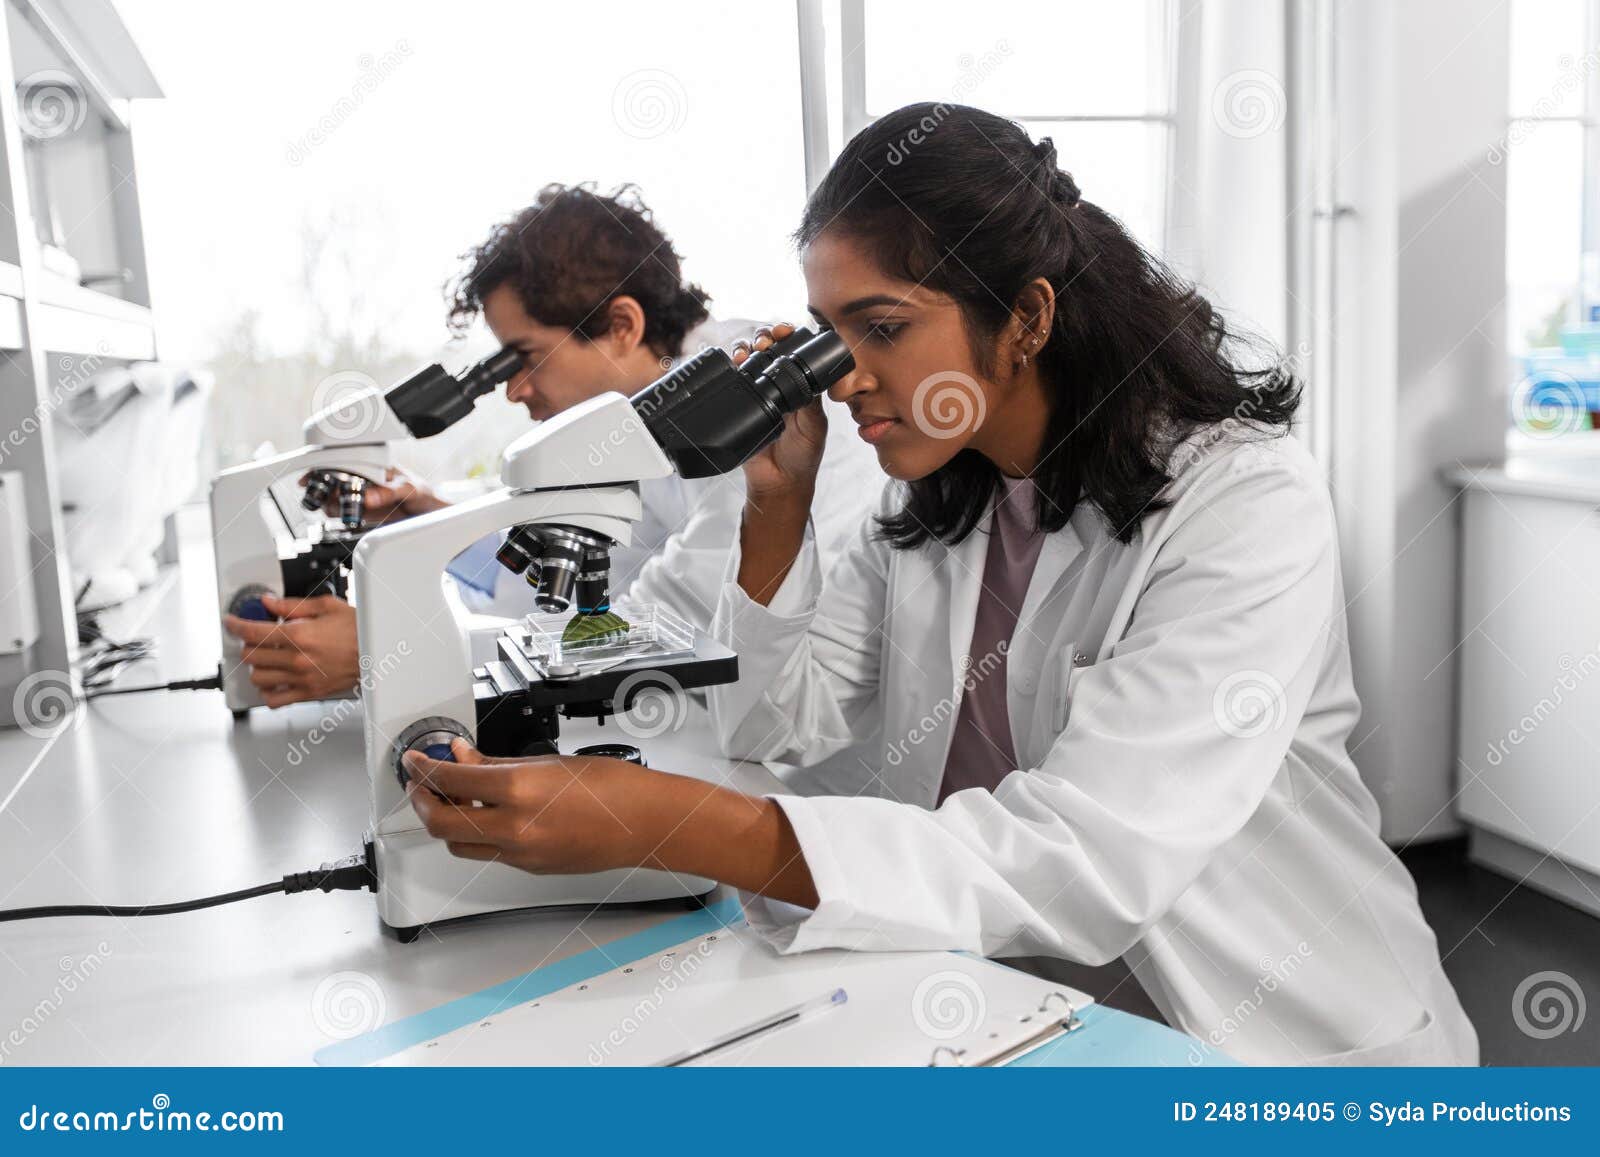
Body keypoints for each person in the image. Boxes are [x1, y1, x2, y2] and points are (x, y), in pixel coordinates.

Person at [398, 105, 1477, 1066]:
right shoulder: (939, 498)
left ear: (1028, 317)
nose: (850, 374)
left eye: (883, 328)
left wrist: (673, 826)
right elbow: (784, 724)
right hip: (1017, 1008)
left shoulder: (1242, 500)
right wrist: (773, 514)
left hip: (1267, 1045)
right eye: (830, 337)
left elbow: (1088, 857)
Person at [224, 183, 875, 707]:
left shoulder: (738, 400)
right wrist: (426, 514)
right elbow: (584, 581)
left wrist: (385, 657)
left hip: (808, 772)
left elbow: (667, 629)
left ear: (622, 325)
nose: (513, 391)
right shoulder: (638, 420)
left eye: (526, 357)